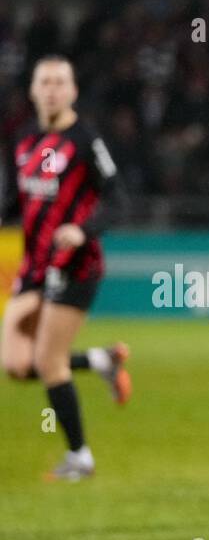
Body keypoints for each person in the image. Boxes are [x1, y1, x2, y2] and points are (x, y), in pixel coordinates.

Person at [2, 55, 131, 481]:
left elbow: (119, 200)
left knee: (49, 360)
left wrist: (83, 229)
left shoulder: (85, 140)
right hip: (34, 269)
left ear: (73, 91)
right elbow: (14, 204)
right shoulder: (22, 140)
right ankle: (101, 361)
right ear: (33, 90)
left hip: (76, 267)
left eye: (61, 82)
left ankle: (81, 457)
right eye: (45, 82)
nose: (53, 89)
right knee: (17, 364)